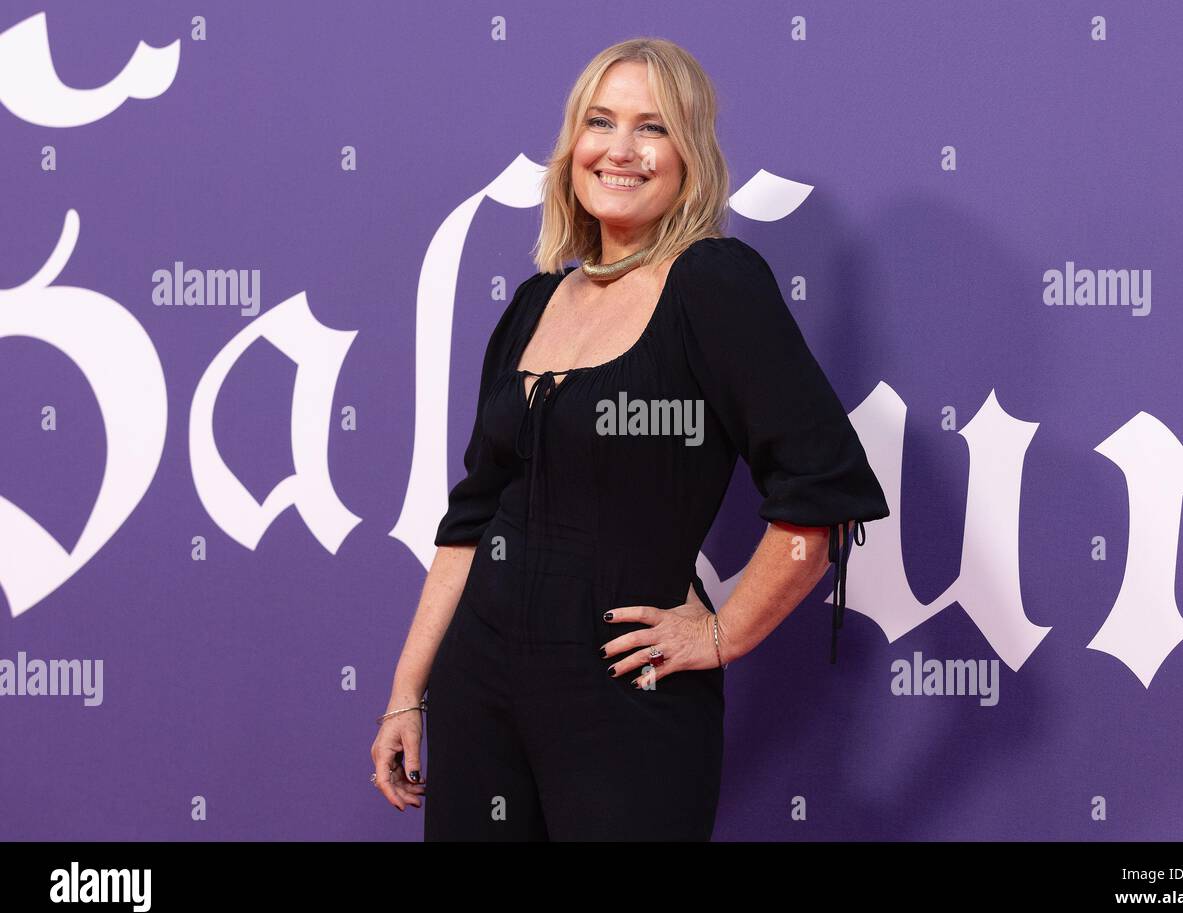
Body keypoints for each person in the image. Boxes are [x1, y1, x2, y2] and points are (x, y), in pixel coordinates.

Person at [370, 37, 889, 841]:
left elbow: (822, 492)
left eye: (652, 128)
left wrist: (722, 633)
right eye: (600, 122)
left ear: (690, 154)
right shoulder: (535, 303)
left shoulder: (714, 283)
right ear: (570, 146)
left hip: (625, 694)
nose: (620, 150)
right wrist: (410, 688)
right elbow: (471, 518)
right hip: (478, 686)